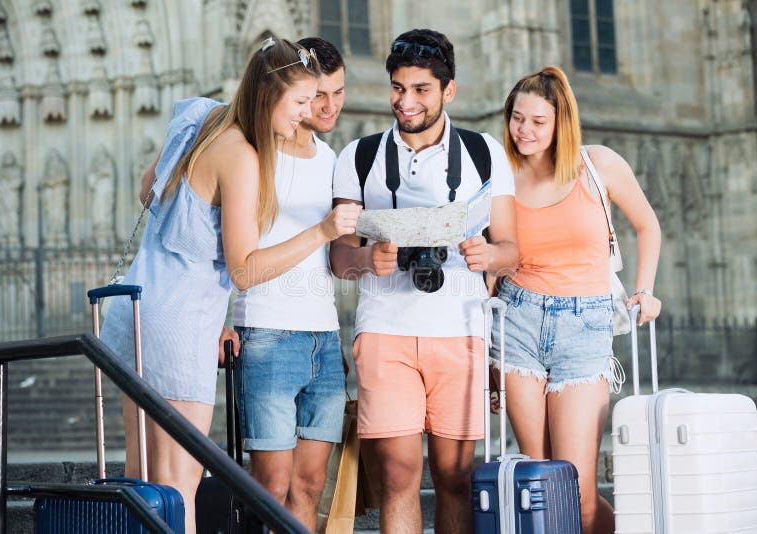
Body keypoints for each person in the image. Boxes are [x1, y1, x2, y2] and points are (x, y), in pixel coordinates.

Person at [100, 36, 359, 533]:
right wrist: (323, 231)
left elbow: (146, 188)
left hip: (136, 311)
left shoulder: (203, 116)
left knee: (142, 481)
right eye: (300, 101)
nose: (307, 113)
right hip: (180, 326)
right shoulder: (242, 154)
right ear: (267, 96)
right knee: (179, 484)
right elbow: (244, 270)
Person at [329, 29, 519, 533]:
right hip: (385, 331)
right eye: (397, 88)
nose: (405, 101)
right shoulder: (360, 156)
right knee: (396, 476)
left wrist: (488, 254)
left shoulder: (483, 154)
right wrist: (369, 260)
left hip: (460, 332)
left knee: (456, 477)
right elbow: (338, 257)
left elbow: (512, 249)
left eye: (420, 89)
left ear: (448, 90)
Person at [491, 65, 662, 533]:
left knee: (578, 490)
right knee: (539, 481)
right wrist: (485, 356)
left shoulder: (598, 164)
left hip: (585, 327)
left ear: (561, 123)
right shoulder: (501, 175)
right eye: (516, 117)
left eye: (537, 121)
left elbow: (648, 224)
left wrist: (644, 289)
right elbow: (493, 260)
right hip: (517, 323)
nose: (523, 130)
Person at [217, 36, 350, 531]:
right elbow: (227, 254)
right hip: (267, 333)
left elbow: (332, 255)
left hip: (321, 333)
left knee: (310, 484)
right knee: (269, 484)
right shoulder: (251, 152)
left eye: (337, 94)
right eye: (316, 95)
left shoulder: (330, 157)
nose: (327, 106)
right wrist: (219, 320)